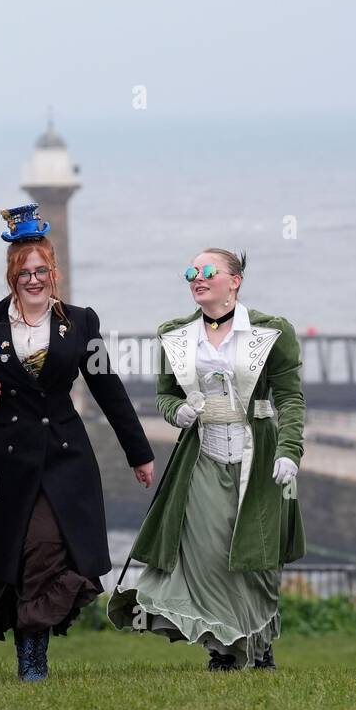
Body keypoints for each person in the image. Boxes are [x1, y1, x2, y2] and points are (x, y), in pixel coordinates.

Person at [0, 204, 155, 681]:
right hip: (0, 465)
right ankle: (19, 643)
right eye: (24, 272)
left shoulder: (80, 322)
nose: (33, 279)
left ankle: (33, 658)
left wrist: (140, 453)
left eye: (41, 270)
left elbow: (106, 387)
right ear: (12, 275)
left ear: (54, 271)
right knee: (11, 554)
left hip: (63, 458)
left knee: (46, 549)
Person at [108, 249, 306, 670]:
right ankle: (222, 650)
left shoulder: (274, 331)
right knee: (210, 555)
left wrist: (291, 451)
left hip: (261, 457)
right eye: (191, 273)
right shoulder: (175, 335)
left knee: (257, 556)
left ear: (234, 280)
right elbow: (166, 394)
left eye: (207, 272)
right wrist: (175, 412)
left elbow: (290, 399)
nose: (197, 278)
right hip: (203, 457)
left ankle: (259, 644)